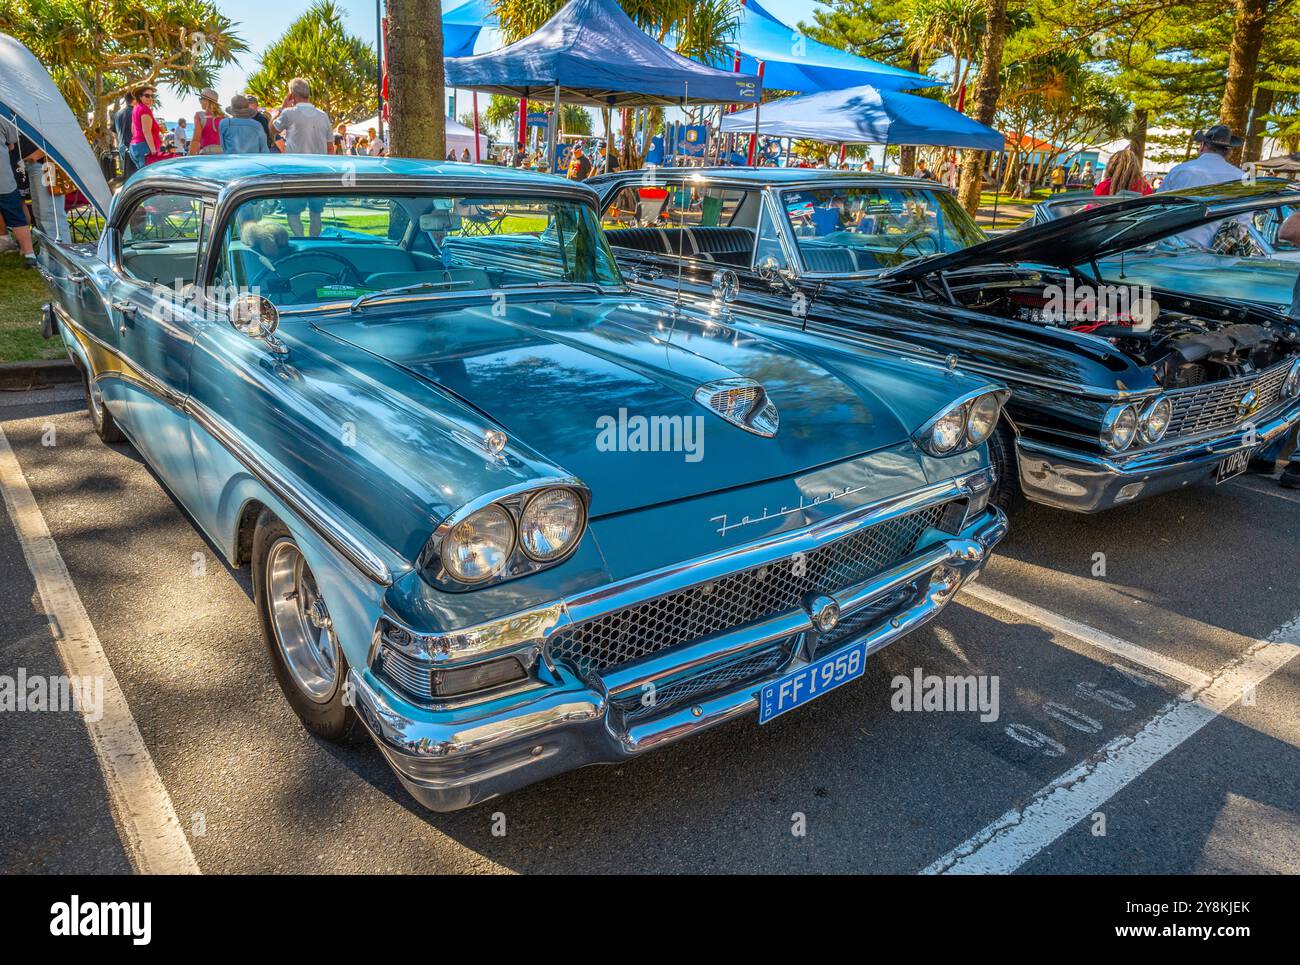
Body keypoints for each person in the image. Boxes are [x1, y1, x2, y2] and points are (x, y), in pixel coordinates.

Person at [1158, 125, 1247, 248]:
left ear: (1203, 146)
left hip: (1173, 251)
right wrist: (1226, 244)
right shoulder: (1240, 177)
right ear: (1228, 151)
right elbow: (1243, 220)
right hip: (1218, 254)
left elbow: (1158, 209)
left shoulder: (1180, 170)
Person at [273, 78, 331, 236]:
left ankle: (301, 240)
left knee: (293, 213)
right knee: (316, 214)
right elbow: (331, 148)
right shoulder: (323, 115)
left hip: (295, 173)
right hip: (320, 173)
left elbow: (271, 129)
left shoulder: (289, 113)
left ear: (291, 95)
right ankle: (314, 243)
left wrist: (282, 107)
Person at [19, 134, 71, 241]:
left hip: (47, 164)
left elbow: (61, 134)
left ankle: (61, 253)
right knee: (39, 215)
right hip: (31, 165)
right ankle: (47, 254)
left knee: (51, 216)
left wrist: (38, 154)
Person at [0, 118, 37, 266]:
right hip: (3, 176)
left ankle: (6, 241)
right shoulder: (2, 117)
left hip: (4, 177)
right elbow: (12, 145)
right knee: (16, 215)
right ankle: (29, 253)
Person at [129, 85, 162, 169]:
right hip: (144, 147)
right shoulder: (145, 109)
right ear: (140, 97)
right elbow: (146, 131)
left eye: (152, 96)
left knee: (143, 177)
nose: (150, 98)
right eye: (147, 96)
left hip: (135, 147)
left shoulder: (136, 108)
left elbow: (133, 129)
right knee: (150, 178)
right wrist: (154, 152)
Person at [189, 88, 223, 155]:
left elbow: (196, 140)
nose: (200, 101)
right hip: (223, 155)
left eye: (200, 99)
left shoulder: (199, 116)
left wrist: (189, 157)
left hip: (206, 154)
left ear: (207, 101)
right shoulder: (225, 118)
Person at [112, 93, 136, 178]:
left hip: (122, 147)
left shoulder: (117, 114)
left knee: (127, 175)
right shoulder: (135, 112)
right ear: (134, 99)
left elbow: (114, 133)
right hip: (134, 148)